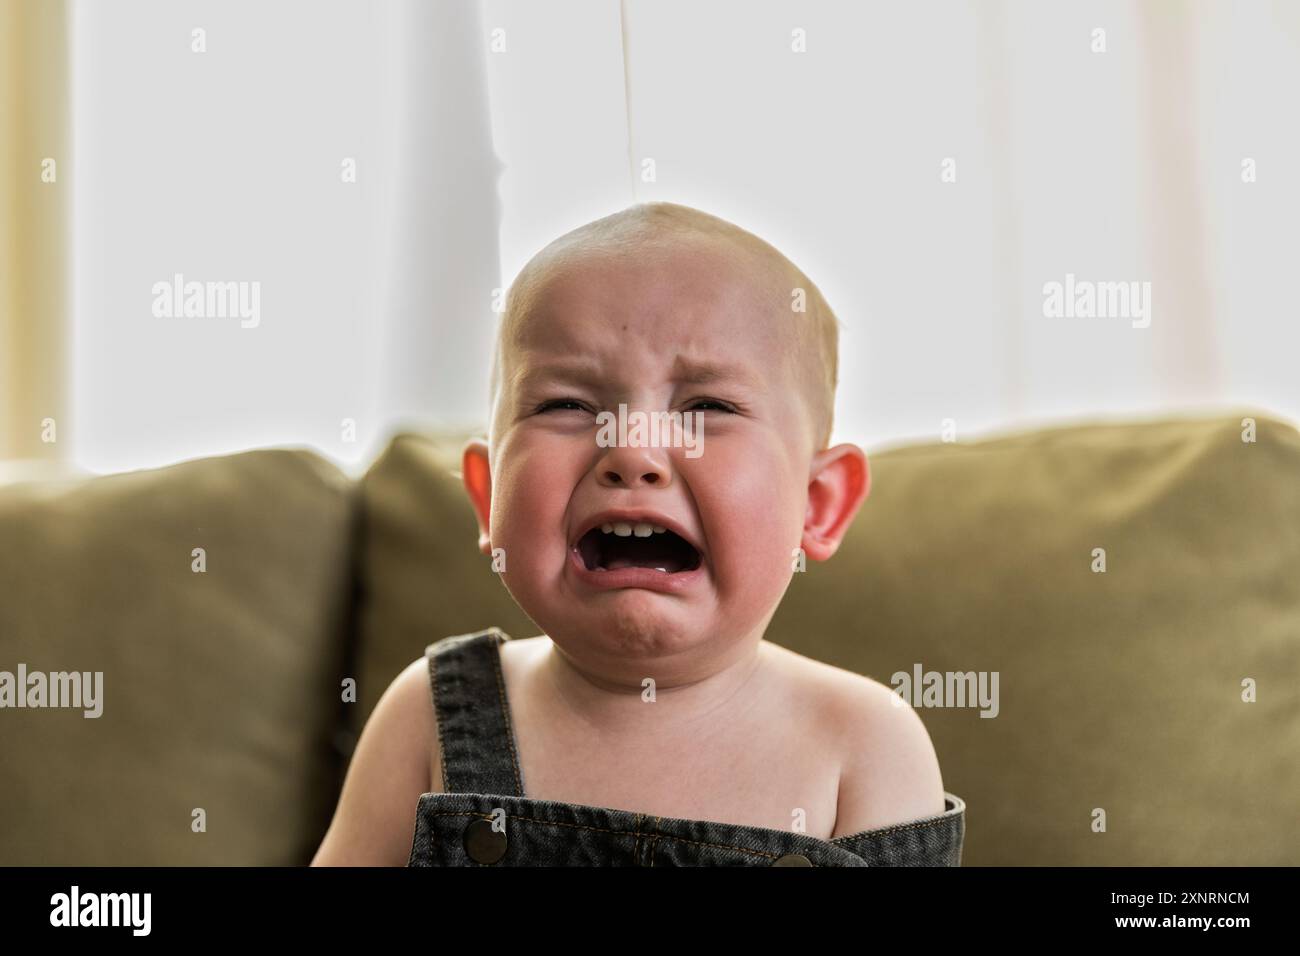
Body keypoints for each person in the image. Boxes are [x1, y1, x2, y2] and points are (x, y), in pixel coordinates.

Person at [312, 201, 965, 866]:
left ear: (817, 503)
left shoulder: (864, 742)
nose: (630, 449)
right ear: (486, 496)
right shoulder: (430, 713)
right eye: (567, 404)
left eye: (706, 408)